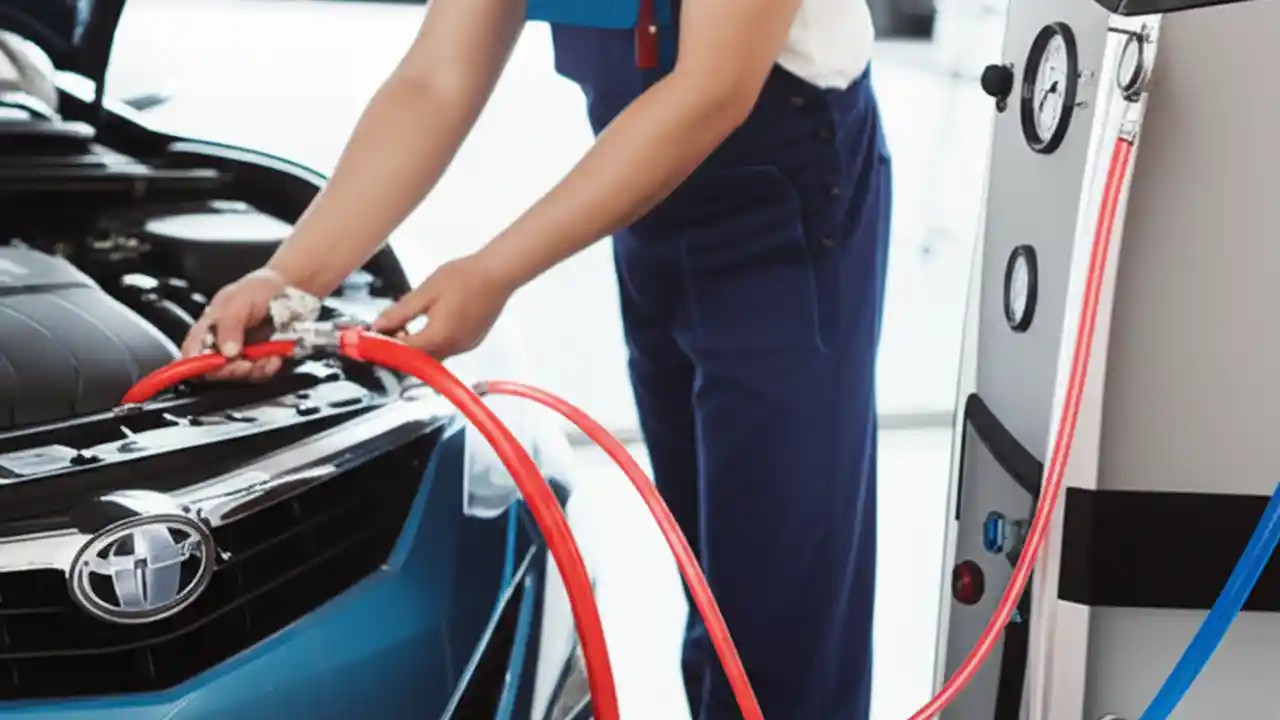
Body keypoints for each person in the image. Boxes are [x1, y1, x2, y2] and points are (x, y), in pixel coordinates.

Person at [182, 0, 891, 716]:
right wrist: (289, 280)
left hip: (782, 210)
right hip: (654, 205)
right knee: (716, 589)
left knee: (780, 611)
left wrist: (494, 271)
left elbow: (713, 89)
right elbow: (437, 77)